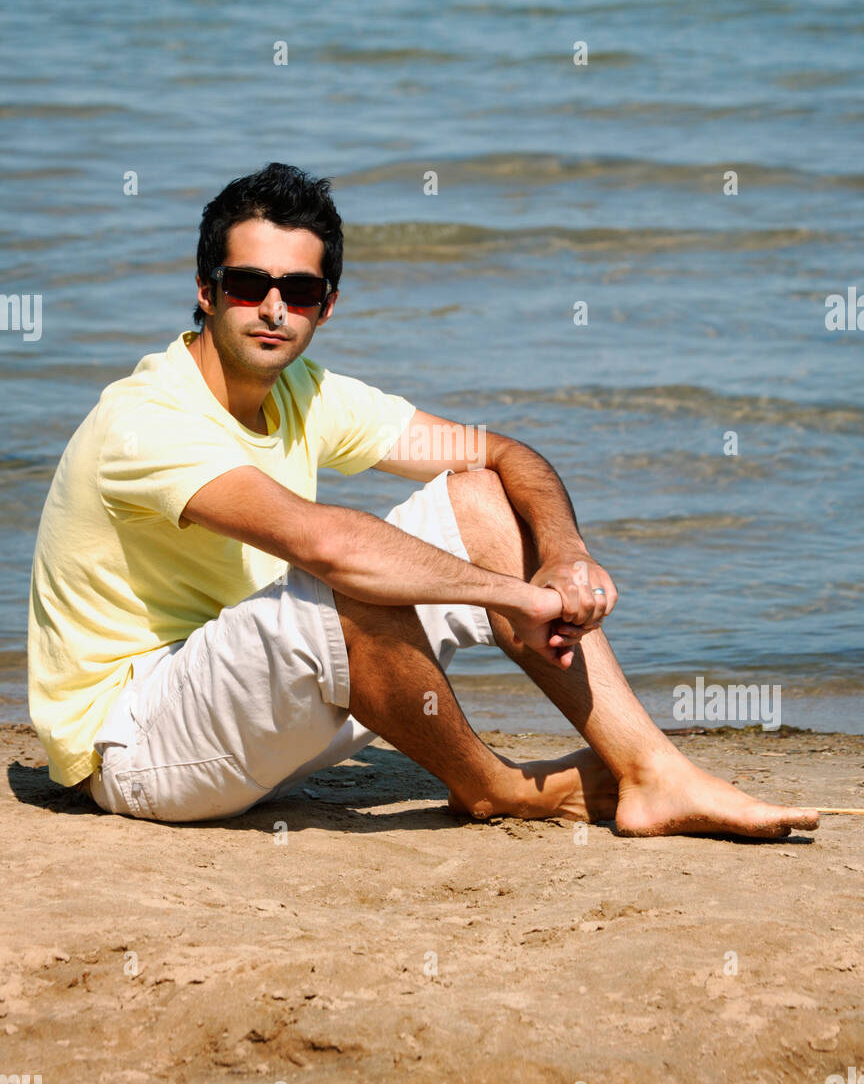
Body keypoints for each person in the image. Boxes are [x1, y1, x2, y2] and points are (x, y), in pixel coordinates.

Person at [27, 162, 818, 838]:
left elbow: (501, 454)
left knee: (480, 497)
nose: (273, 308)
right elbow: (326, 545)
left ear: (326, 305)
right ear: (206, 292)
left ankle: (650, 772)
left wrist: (564, 556)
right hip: (135, 748)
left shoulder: (307, 392)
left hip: (254, 716)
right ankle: (495, 787)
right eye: (248, 284)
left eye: (299, 291)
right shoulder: (146, 419)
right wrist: (515, 597)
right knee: (350, 573)